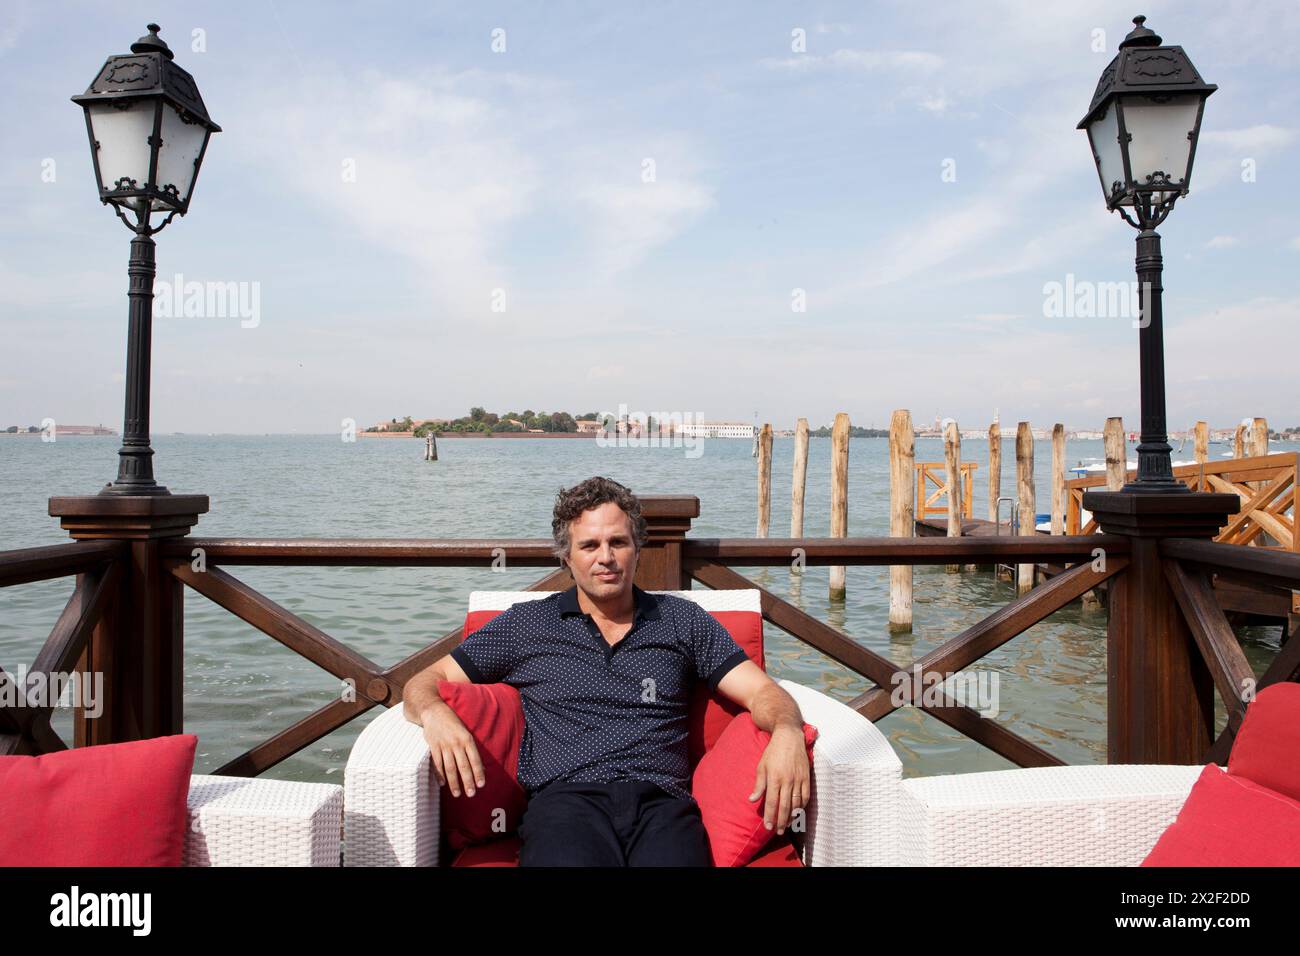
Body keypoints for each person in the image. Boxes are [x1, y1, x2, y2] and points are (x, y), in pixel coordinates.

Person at [402, 476, 810, 866]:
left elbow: (762, 693)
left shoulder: (683, 621)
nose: (605, 558)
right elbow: (425, 681)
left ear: (638, 548)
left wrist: (788, 731)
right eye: (589, 545)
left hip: (663, 805)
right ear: (567, 555)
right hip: (564, 803)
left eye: (618, 542)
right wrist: (435, 713)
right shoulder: (525, 625)